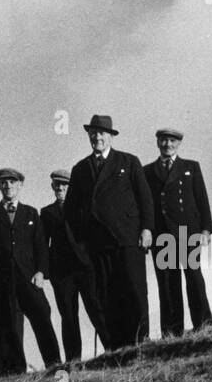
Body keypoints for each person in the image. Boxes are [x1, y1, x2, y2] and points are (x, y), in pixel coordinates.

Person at [64, 114, 155, 349]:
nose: (97, 137)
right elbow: (72, 213)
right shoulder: (80, 169)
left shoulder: (128, 162)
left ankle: (140, 344)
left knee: (134, 292)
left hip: (128, 239)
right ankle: (117, 348)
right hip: (98, 245)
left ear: (111, 137)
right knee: (107, 296)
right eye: (93, 133)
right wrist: (81, 245)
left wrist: (146, 229)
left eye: (102, 133)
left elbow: (145, 199)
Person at [0, 168, 61, 374]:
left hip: (29, 278)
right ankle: (17, 372)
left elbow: (41, 245)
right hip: (3, 280)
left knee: (42, 316)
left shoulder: (31, 213)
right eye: (4, 182)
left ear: (20, 185)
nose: (8, 186)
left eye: (12, 182)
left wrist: (41, 272)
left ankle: (56, 367)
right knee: (11, 326)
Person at [146, 128, 212, 336]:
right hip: (161, 234)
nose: (168, 144)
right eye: (164, 140)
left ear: (179, 144)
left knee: (194, 277)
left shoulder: (191, 167)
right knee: (167, 283)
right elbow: (145, 204)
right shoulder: (146, 171)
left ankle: (203, 324)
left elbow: (202, 199)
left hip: (188, 231)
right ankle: (172, 331)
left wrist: (206, 229)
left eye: (172, 141)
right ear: (158, 143)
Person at [41, 168, 110, 362]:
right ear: (52, 187)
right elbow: (43, 244)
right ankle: (73, 360)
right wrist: (46, 271)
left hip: (85, 267)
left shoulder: (83, 207)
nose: (60, 188)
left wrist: (94, 262)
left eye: (64, 185)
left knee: (96, 309)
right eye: (57, 185)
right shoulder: (46, 212)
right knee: (69, 316)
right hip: (62, 273)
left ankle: (112, 350)